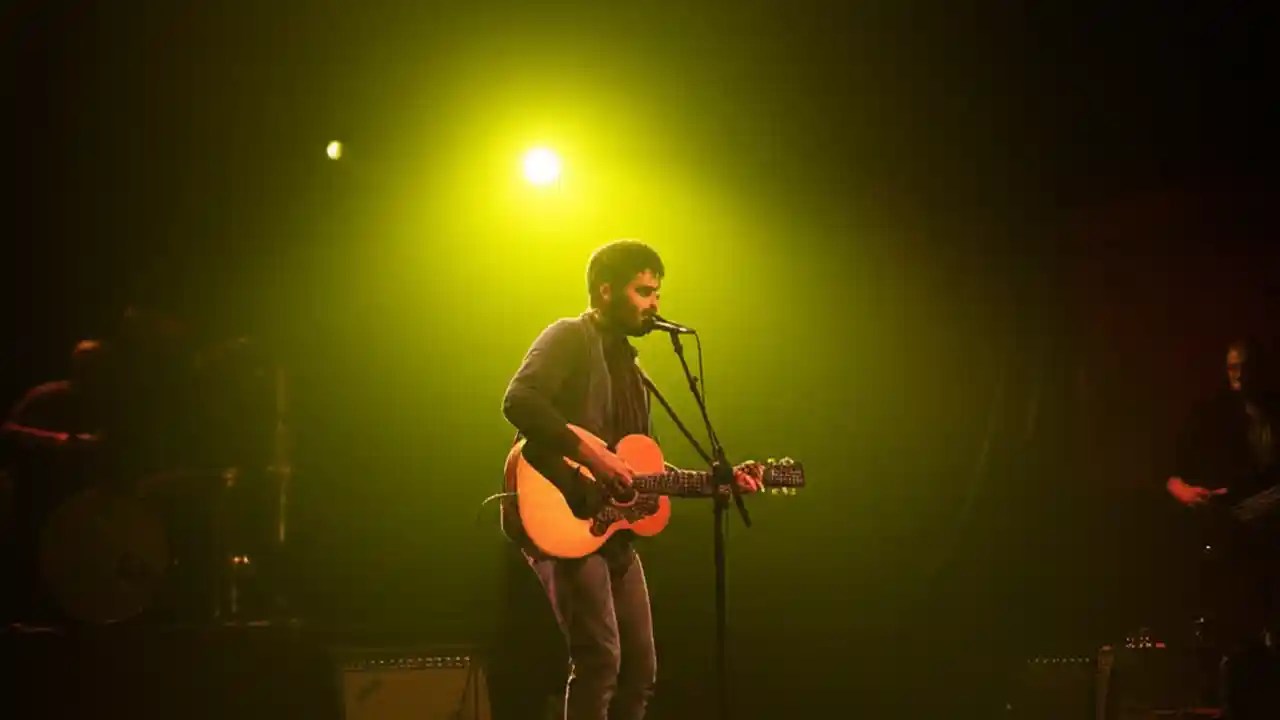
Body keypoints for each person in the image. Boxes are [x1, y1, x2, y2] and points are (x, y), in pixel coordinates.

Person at [500, 239, 763, 720]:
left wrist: (720, 481)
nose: (654, 304)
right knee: (600, 662)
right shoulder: (567, 337)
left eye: (657, 294)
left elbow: (641, 470)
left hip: (610, 533)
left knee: (640, 672)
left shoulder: (632, 369)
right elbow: (519, 402)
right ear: (605, 291)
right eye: (643, 291)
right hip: (564, 514)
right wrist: (593, 458)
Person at [1165, 338, 1280, 718]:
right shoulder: (1217, 416)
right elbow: (1171, 469)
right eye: (1233, 368)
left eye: (1246, 367)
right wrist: (1186, 491)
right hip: (1234, 523)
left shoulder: (1273, 414)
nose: (1240, 376)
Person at [2, 339, 108, 622]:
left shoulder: (108, 403)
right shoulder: (48, 396)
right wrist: (60, 442)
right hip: (39, 495)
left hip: (82, 500)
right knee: (32, 559)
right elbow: (10, 431)